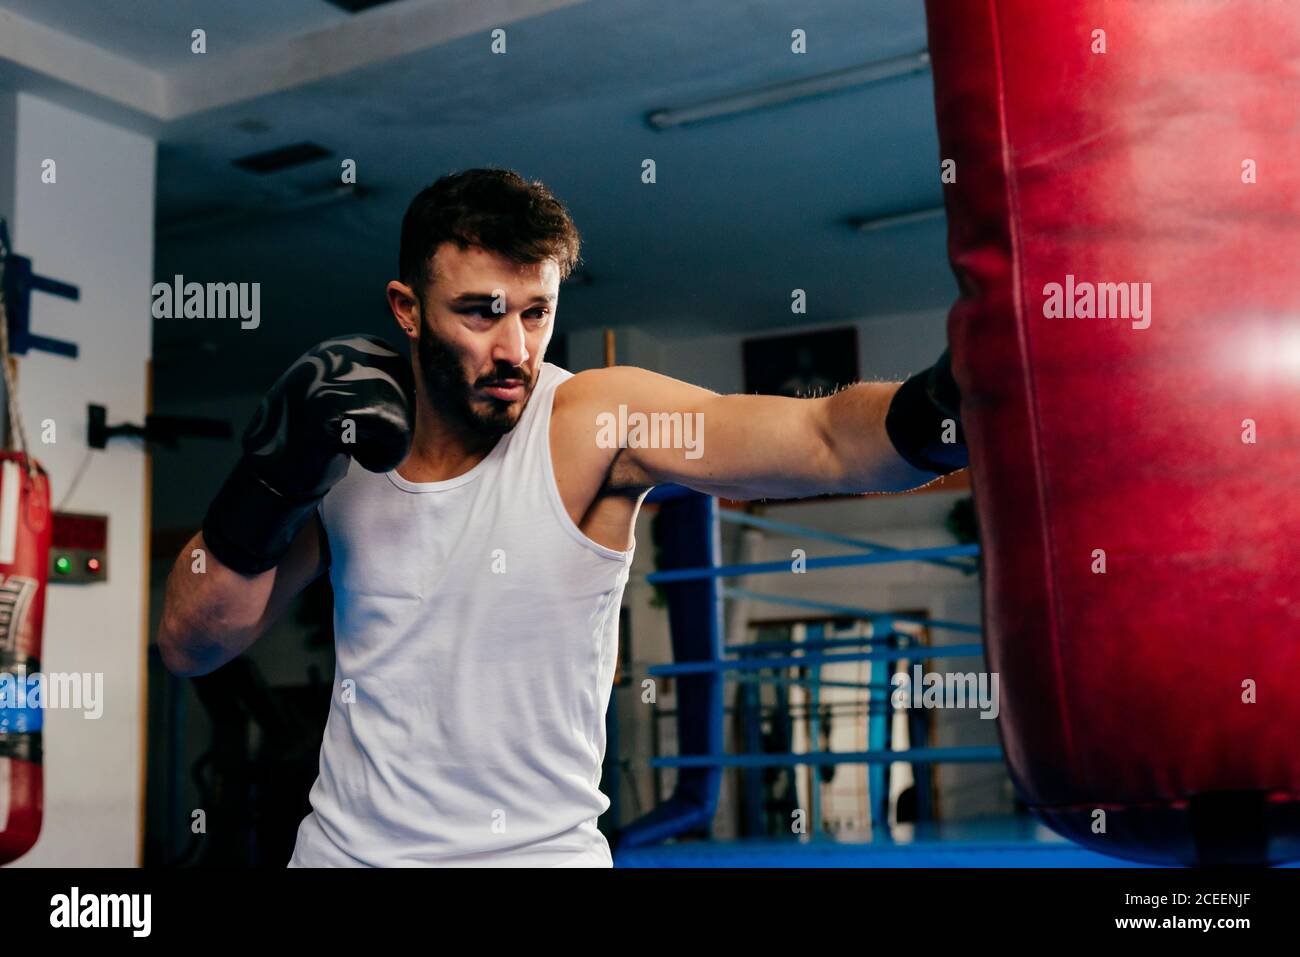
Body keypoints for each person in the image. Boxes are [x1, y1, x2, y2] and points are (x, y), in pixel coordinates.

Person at [157, 167, 966, 867]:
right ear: (407, 309)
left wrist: (947, 404)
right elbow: (192, 642)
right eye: (480, 312)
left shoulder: (593, 423)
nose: (514, 347)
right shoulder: (341, 448)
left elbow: (823, 439)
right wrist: (274, 473)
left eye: (536, 312)